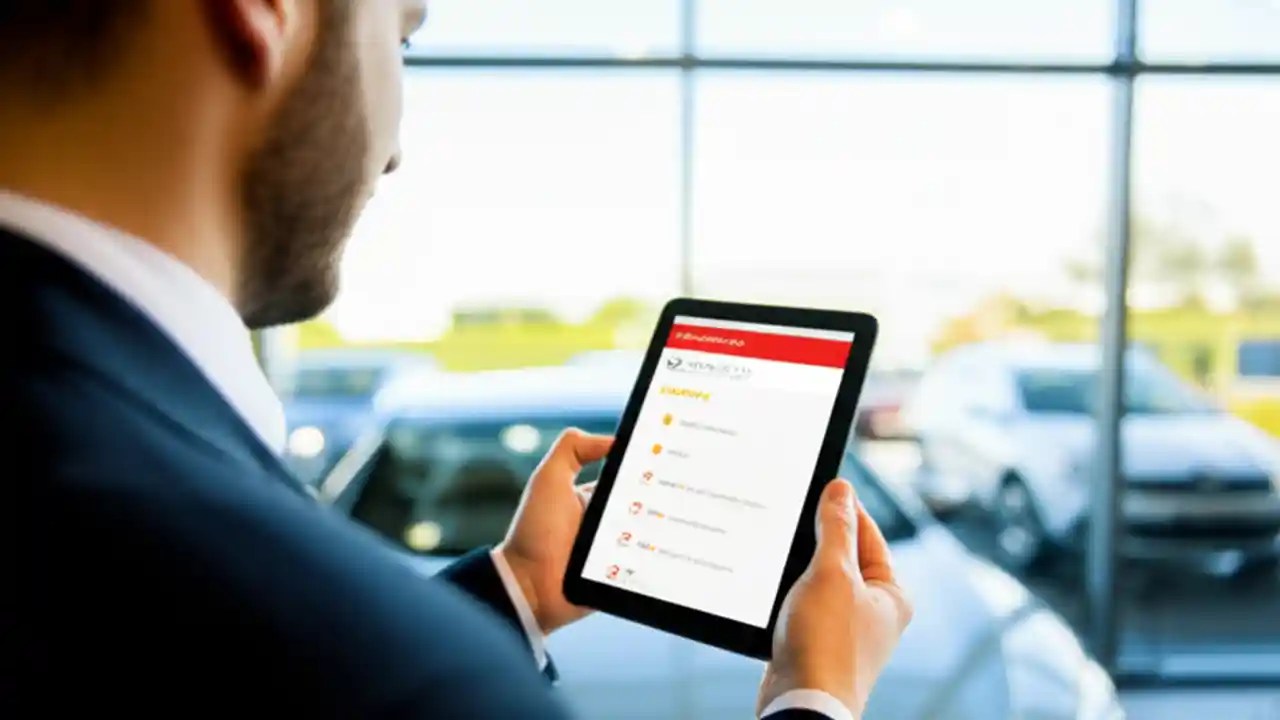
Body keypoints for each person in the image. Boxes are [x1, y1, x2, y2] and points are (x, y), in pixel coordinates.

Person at [0, 1, 912, 718]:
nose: (395, 152)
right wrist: (813, 695)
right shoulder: (407, 682)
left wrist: (518, 587)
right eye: (400, 37)